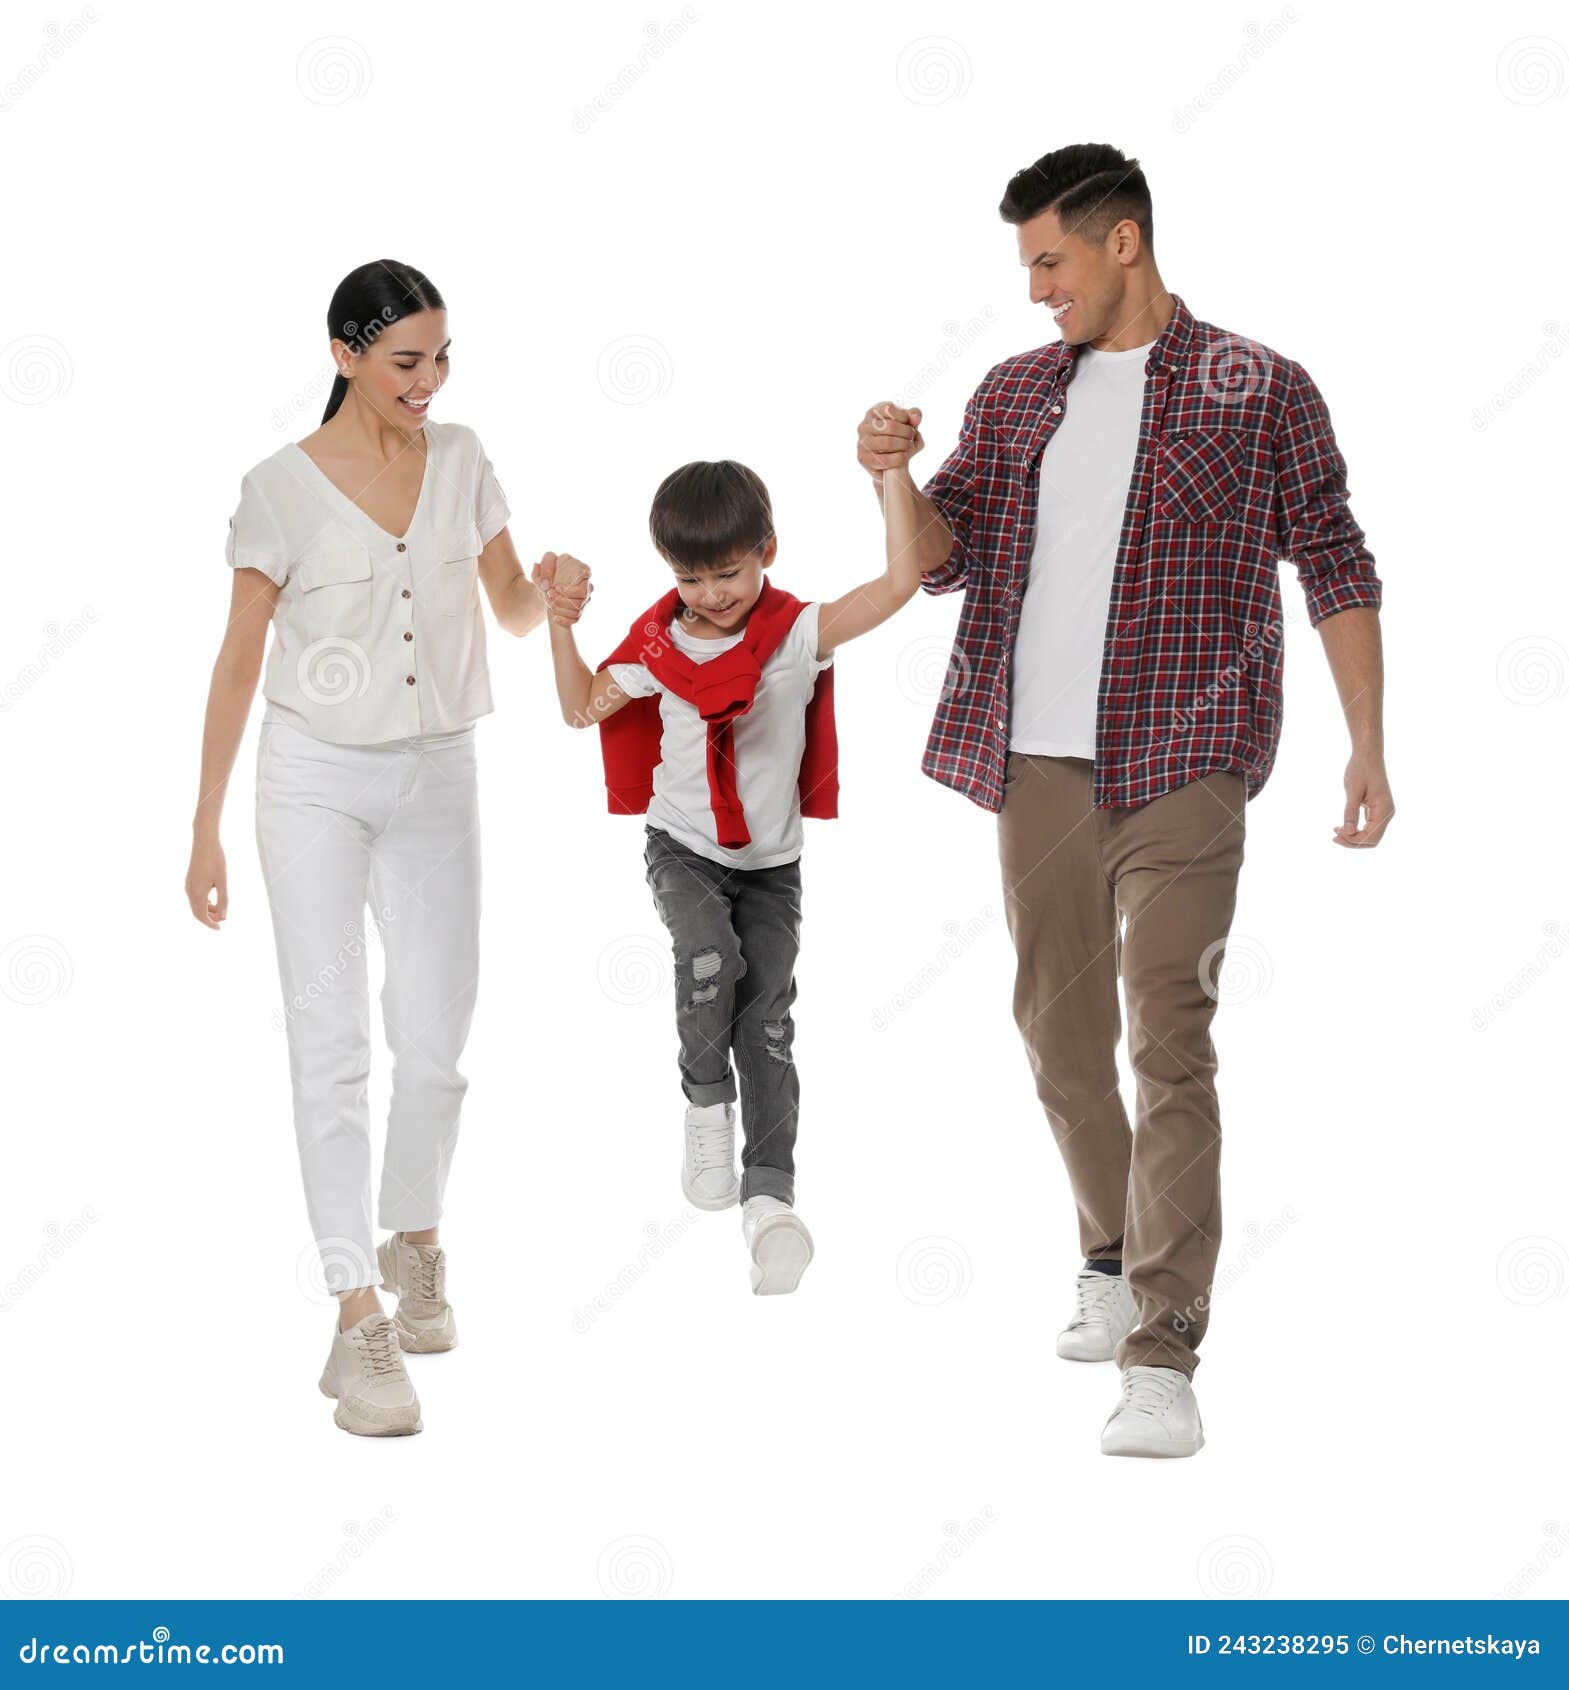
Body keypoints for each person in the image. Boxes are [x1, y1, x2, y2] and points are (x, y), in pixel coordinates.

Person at [856, 143, 1394, 1457]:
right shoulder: (1016, 391)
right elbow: (940, 566)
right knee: (1055, 1033)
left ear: (1123, 243)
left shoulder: (1256, 386)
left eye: (1049, 260)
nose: (1036, 289)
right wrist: (886, 478)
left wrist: (1366, 742)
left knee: (1169, 1033)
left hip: (1186, 756)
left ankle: (1163, 1350)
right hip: (1031, 760)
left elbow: (1332, 560)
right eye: (1028, 266)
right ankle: (1105, 1250)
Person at [185, 259, 586, 1436]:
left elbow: (506, 605)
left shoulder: (462, 459)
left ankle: (416, 1243)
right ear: (345, 355)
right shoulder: (278, 488)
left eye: (443, 356)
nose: (431, 380)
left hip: (437, 772)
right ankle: (355, 1312)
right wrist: (202, 822)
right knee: (331, 1044)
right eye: (407, 359)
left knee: (437, 1037)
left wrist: (550, 594)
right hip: (312, 779)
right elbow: (238, 661)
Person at [532, 458, 926, 1291]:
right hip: (682, 846)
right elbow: (580, 708)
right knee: (707, 956)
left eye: (727, 573)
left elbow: (898, 583)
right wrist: (558, 623)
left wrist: (892, 476)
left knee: (769, 1024)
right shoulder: (655, 647)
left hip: (769, 867)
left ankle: (769, 1204)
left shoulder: (796, 633)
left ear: (767, 552)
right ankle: (705, 1105)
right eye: (689, 576)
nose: (710, 594)